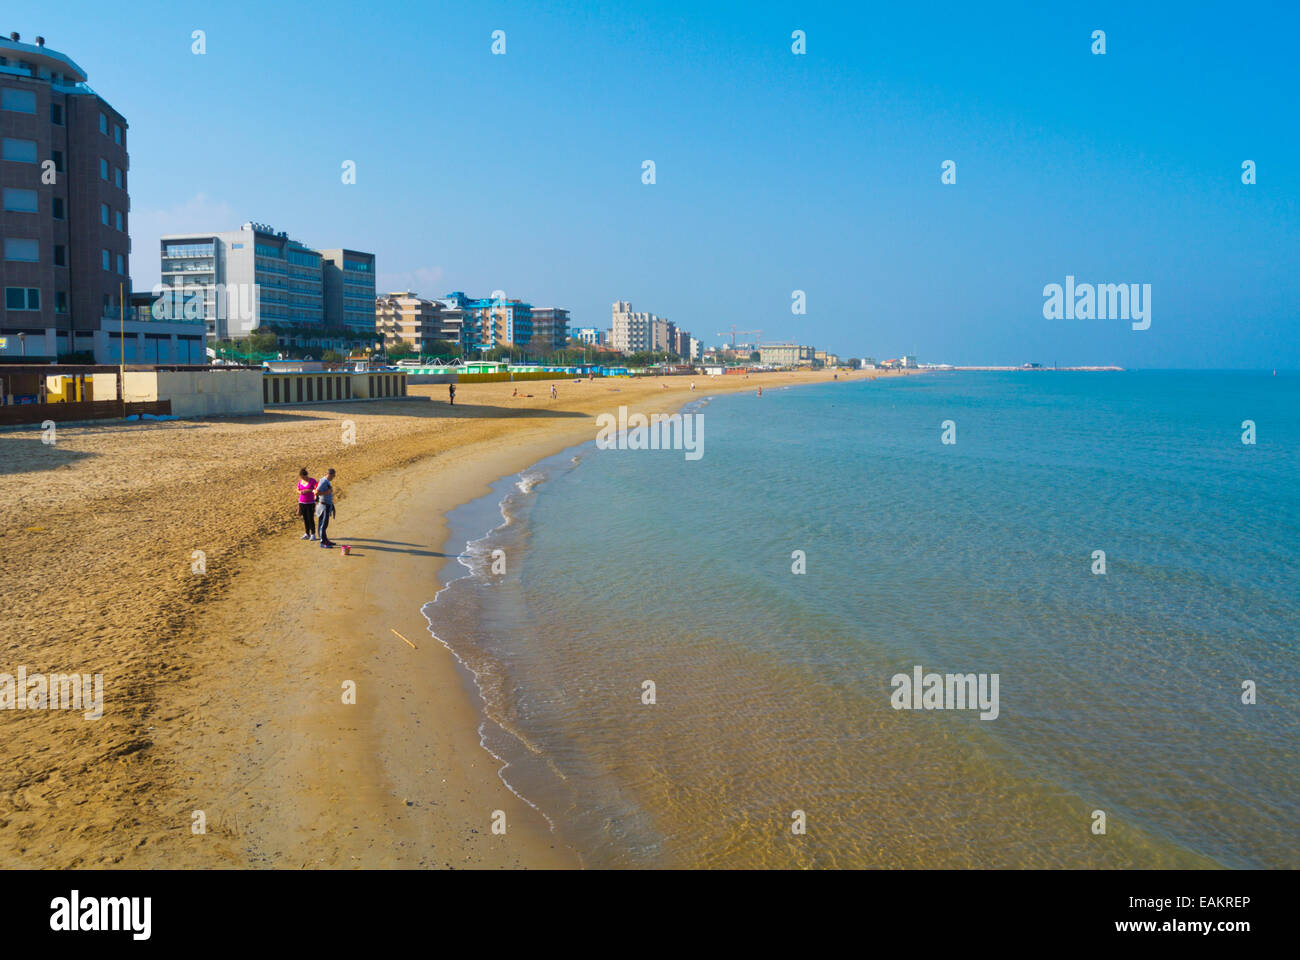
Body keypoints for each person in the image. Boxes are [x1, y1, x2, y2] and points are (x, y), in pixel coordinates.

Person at [315, 468, 337, 549]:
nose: (334, 477)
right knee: (323, 525)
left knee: (323, 524)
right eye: (333, 475)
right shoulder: (324, 481)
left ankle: (325, 540)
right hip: (324, 506)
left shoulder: (325, 481)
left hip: (325, 505)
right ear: (330, 474)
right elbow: (316, 492)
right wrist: (326, 493)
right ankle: (322, 542)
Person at [296, 468, 317, 540]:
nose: (302, 478)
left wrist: (309, 490)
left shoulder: (312, 481)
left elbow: (317, 489)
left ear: (306, 475)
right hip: (302, 502)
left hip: (310, 502)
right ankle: (307, 533)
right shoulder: (300, 481)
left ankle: (313, 534)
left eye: (303, 477)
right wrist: (300, 492)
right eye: (301, 477)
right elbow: (297, 490)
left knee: (310, 518)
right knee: (305, 519)